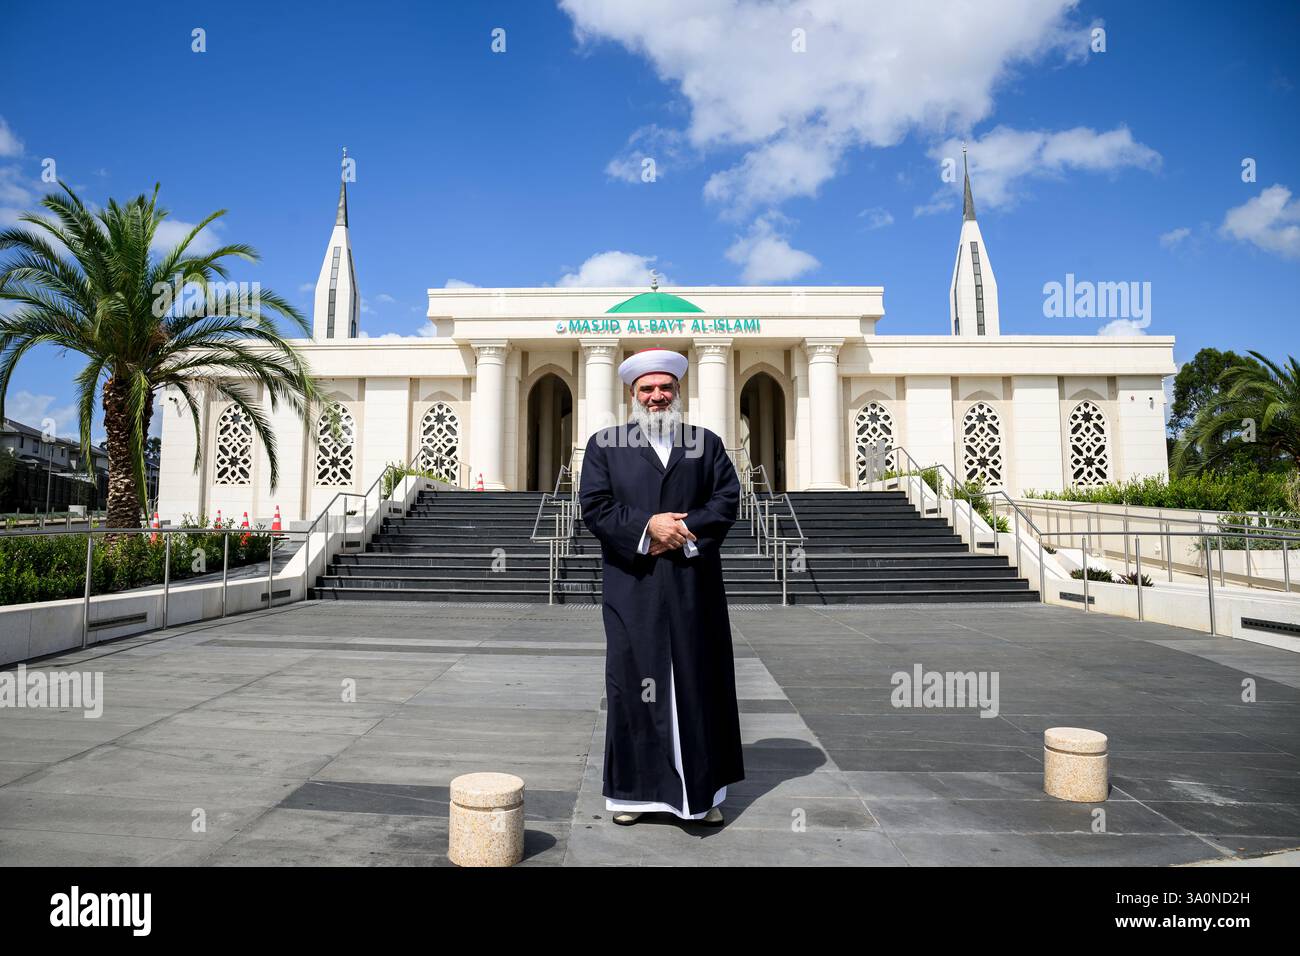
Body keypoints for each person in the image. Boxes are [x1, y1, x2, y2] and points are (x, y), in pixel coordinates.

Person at [578, 347, 745, 826]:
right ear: (632, 394)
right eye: (647, 388)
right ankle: (635, 797)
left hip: (693, 586)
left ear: (677, 391)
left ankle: (702, 795)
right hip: (634, 587)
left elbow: (726, 499)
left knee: (699, 681)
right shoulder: (605, 445)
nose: (657, 396)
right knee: (633, 684)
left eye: (665, 387)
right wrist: (648, 528)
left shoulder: (704, 443)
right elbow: (596, 506)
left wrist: (683, 529)